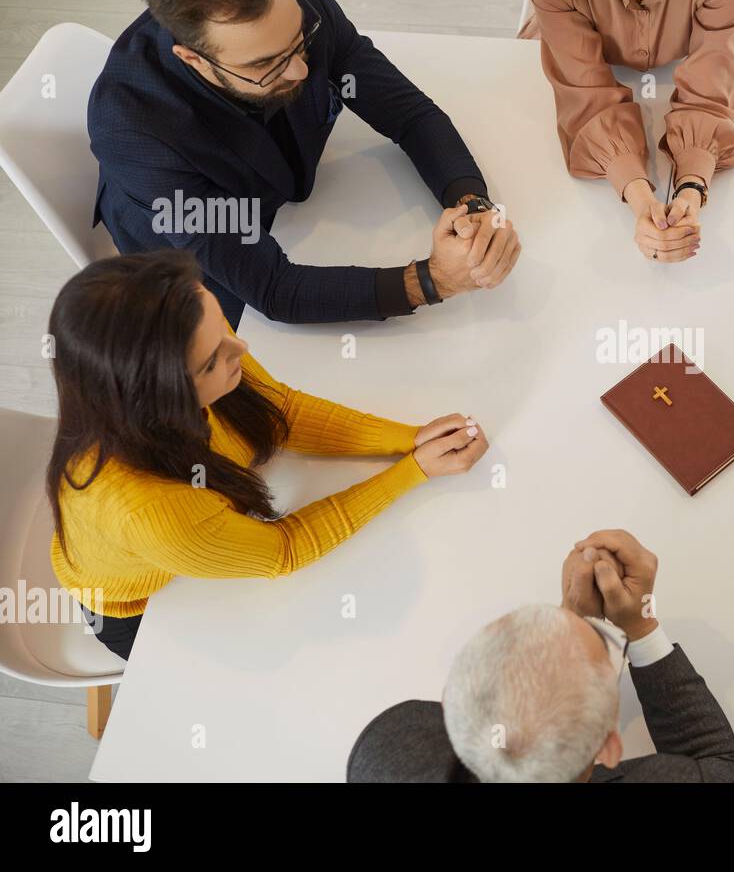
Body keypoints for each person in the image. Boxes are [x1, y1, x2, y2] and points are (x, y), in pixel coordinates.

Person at [47, 251, 490, 662]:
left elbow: (282, 412)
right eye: (211, 363)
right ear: (162, 402)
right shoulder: (157, 513)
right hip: (134, 609)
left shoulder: (193, 333)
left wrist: (407, 439)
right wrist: (412, 473)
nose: (239, 348)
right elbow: (285, 548)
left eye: (224, 325)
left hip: (157, 541)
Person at [89, 0, 521, 329]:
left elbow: (407, 113)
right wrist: (431, 281)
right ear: (193, 59)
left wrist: (470, 204)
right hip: (197, 267)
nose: (299, 70)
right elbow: (276, 289)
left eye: (298, 42)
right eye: (266, 64)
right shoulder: (134, 133)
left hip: (295, 196)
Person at [347, 529, 734, 782]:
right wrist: (638, 627)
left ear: (450, 699)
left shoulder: (386, 751)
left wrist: (575, 620)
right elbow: (716, 765)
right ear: (608, 748)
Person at [521, 0, 734, 264]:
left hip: (694, 54)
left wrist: (692, 186)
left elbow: (711, 84)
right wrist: (639, 195)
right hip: (576, 54)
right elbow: (586, 95)